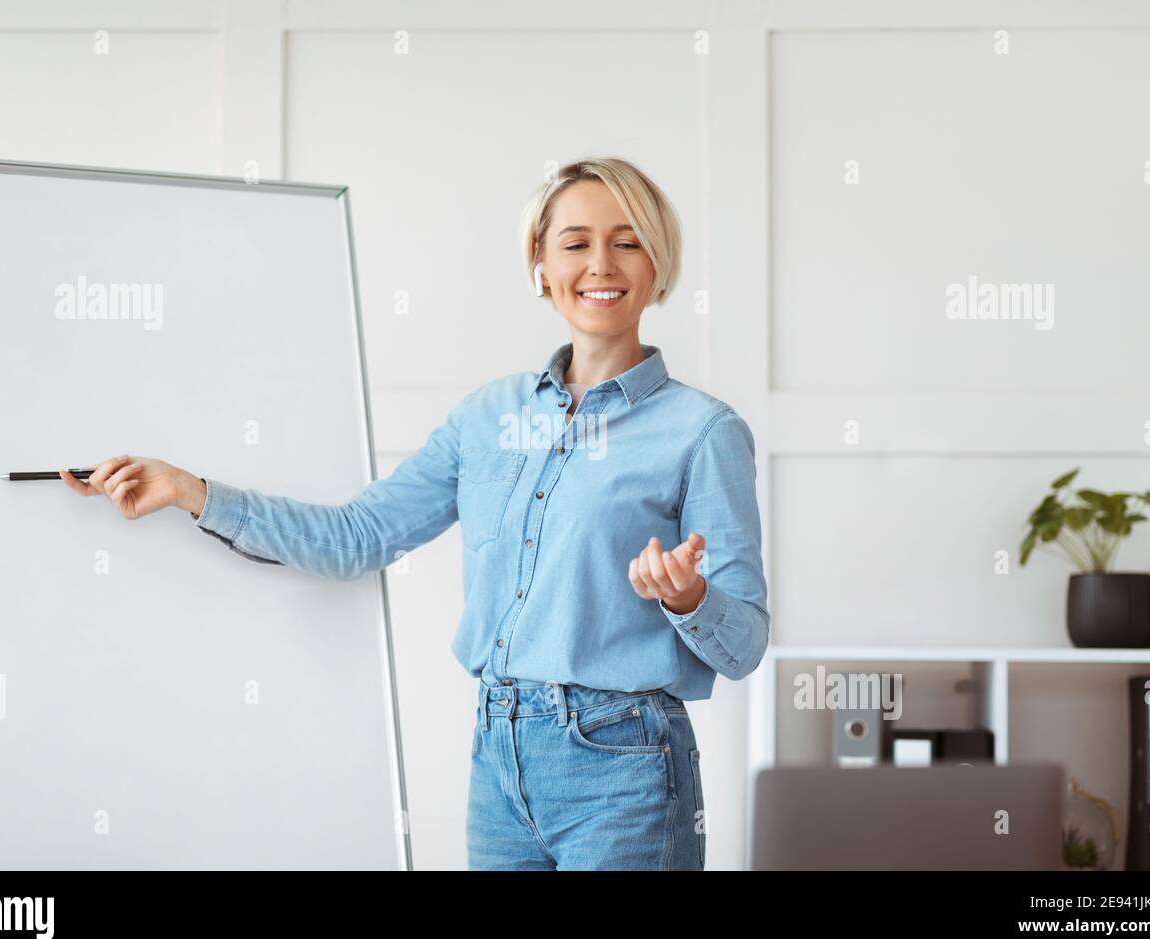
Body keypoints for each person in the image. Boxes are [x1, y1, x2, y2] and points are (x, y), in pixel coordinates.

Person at [61, 156, 770, 870]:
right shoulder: (486, 417)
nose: (601, 265)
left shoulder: (702, 432)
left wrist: (688, 597)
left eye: (627, 241)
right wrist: (191, 491)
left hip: (627, 768)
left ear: (657, 261)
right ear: (540, 262)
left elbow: (743, 646)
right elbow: (358, 536)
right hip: (498, 759)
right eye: (576, 242)